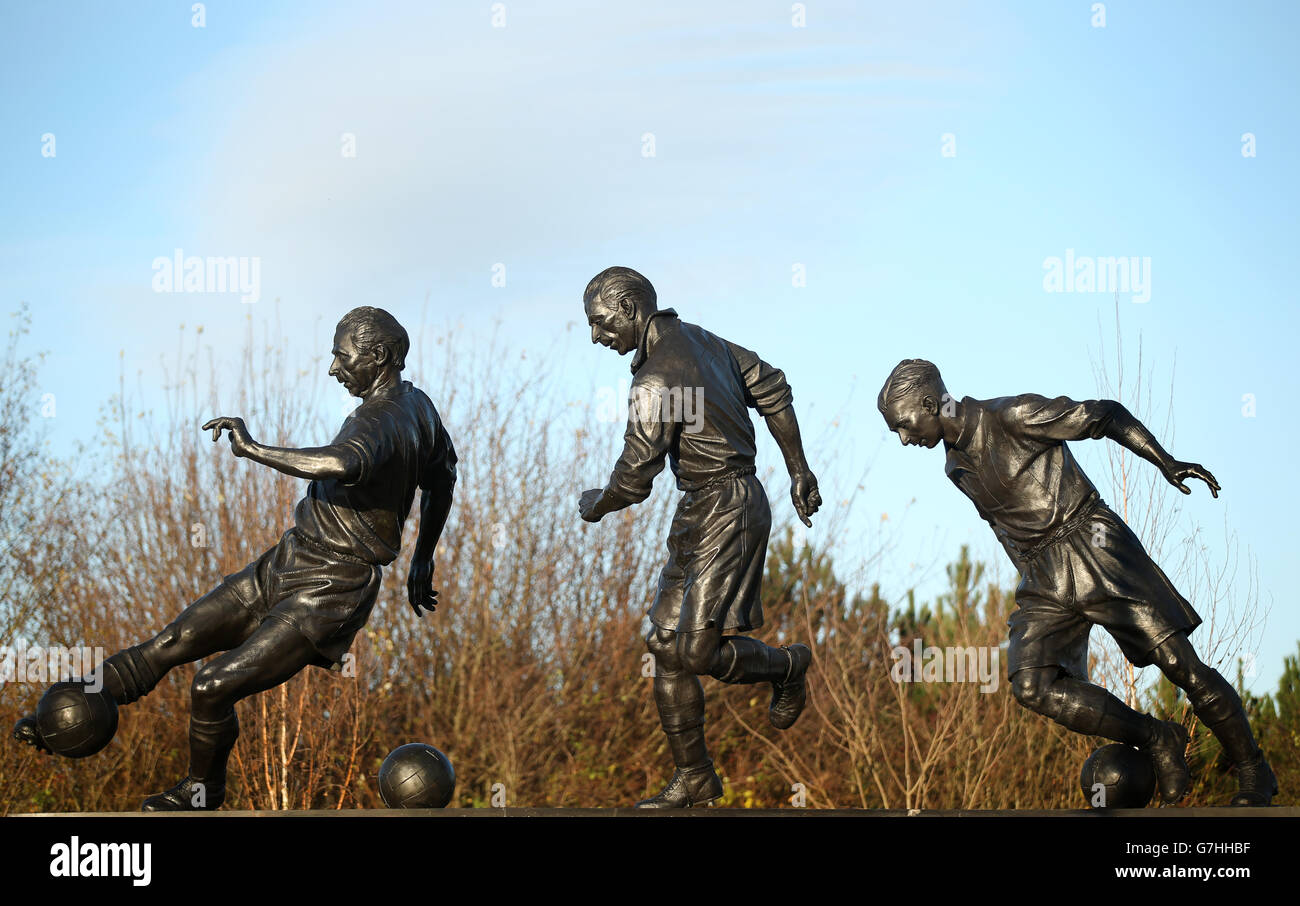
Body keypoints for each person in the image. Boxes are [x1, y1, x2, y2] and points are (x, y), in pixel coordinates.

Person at [13, 306, 457, 811]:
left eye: (341, 356)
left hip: (330, 589)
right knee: (172, 641)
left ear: (377, 356)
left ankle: (202, 794)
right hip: (289, 560)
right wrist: (423, 558)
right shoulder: (421, 407)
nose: (333, 368)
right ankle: (61, 719)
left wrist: (251, 448)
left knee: (212, 685)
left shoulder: (386, 419)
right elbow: (443, 477)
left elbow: (343, 462)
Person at [877, 358, 1276, 806]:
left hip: (1093, 541)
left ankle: (1253, 770)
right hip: (1043, 574)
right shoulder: (955, 468)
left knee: (1180, 664)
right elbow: (1002, 527)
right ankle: (1156, 736)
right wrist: (1032, 580)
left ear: (930, 403)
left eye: (903, 425)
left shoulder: (1011, 415)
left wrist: (1164, 460)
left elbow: (1103, 414)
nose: (904, 438)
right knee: (1032, 684)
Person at [578, 266, 822, 808]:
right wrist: (798, 469)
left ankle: (788, 665)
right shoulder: (707, 342)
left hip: (727, 506)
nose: (595, 336)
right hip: (702, 507)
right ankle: (695, 776)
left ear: (627, 307)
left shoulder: (656, 379)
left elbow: (636, 475)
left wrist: (598, 503)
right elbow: (774, 388)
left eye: (599, 323)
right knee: (664, 645)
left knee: (695, 649)